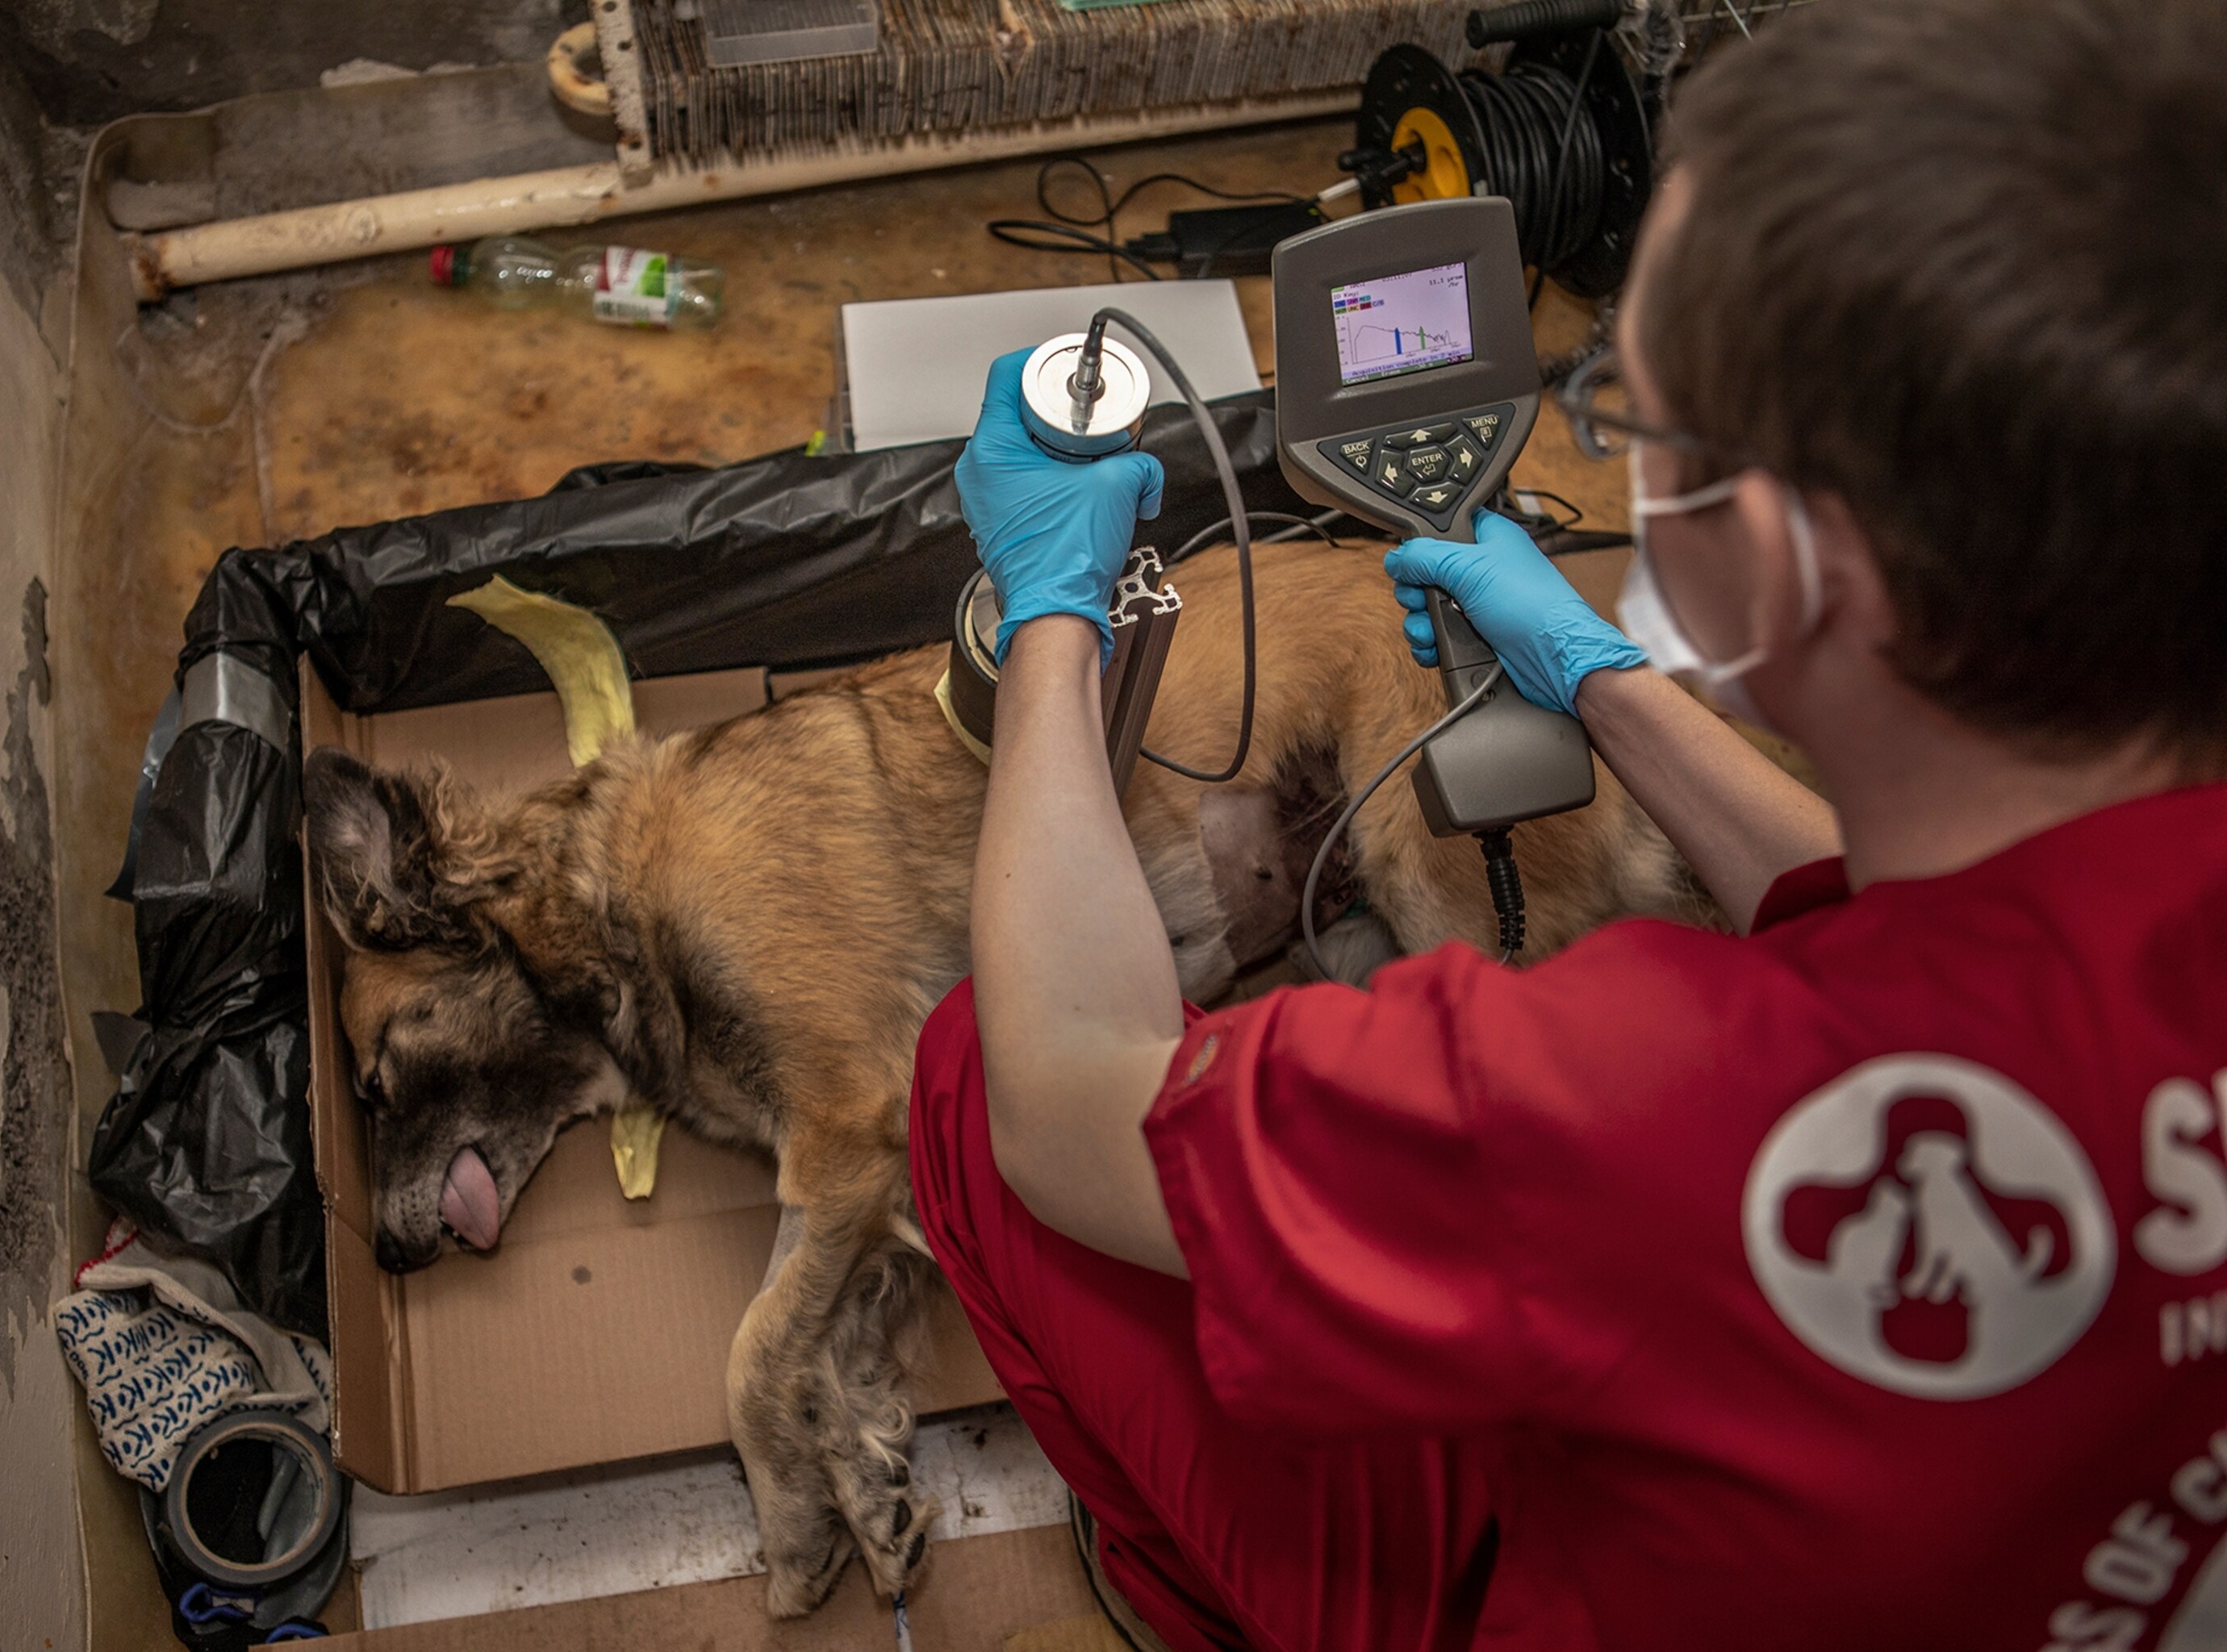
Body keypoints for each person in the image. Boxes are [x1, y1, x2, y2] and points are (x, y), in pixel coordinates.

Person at [911, 0, 2227, 1646]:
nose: (1628, 463)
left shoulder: (1631, 1099)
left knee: (965, 1072)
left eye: (1638, 420)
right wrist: (1610, 685)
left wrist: (1053, 608)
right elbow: (1937, 936)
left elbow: (1068, 1098)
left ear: (1792, 569)